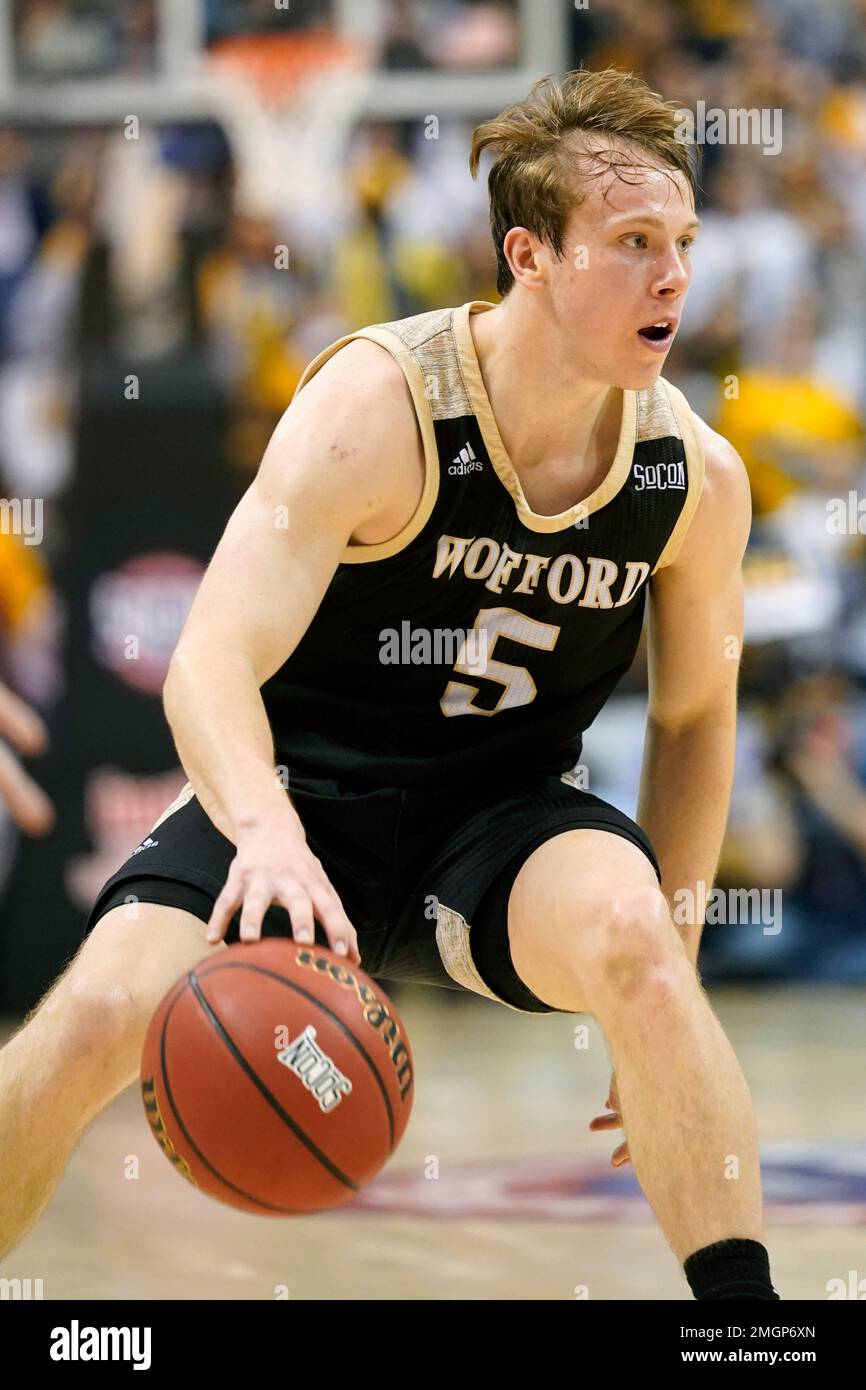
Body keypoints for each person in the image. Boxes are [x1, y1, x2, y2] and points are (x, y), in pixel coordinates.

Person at [0, 67, 778, 1300]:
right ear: (530, 254)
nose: (674, 274)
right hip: (296, 796)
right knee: (95, 1012)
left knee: (634, 938)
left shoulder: (692, 477)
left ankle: (751, 1331)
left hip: (499, 821)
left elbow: (690, 717)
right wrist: (260, 831)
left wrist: (666, 982)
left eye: (680, 241)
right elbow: (208, 656)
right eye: (633, 243)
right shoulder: (383, 407)